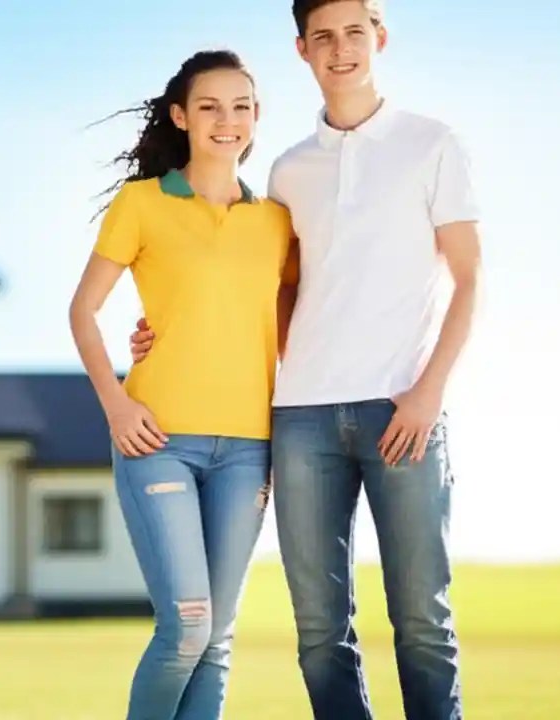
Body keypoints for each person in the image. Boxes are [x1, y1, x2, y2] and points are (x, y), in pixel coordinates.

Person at [128, 2, 482, 718]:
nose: (340, 48)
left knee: (422, 623)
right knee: (320, 633)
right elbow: (266, 290)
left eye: (354, 32)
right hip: (300, 421)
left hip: (401, 411)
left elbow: (469, 277)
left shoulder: (432, 143)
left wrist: (426, 394)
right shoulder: (288, 171)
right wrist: (169, 331)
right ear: (302, 50)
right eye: (323, 36)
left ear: (379, 38)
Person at [68, 49, 298, 720]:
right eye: (209, 106)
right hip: (157, 438)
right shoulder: (141, 203)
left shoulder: (277, 222)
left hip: (250, 449)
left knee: (217, 641)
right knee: (188, 626)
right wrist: (115, 403)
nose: (227, 121)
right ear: (181, 116)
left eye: (241, 106)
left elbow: (293, 327)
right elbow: (83, 310)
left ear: (256, 117)